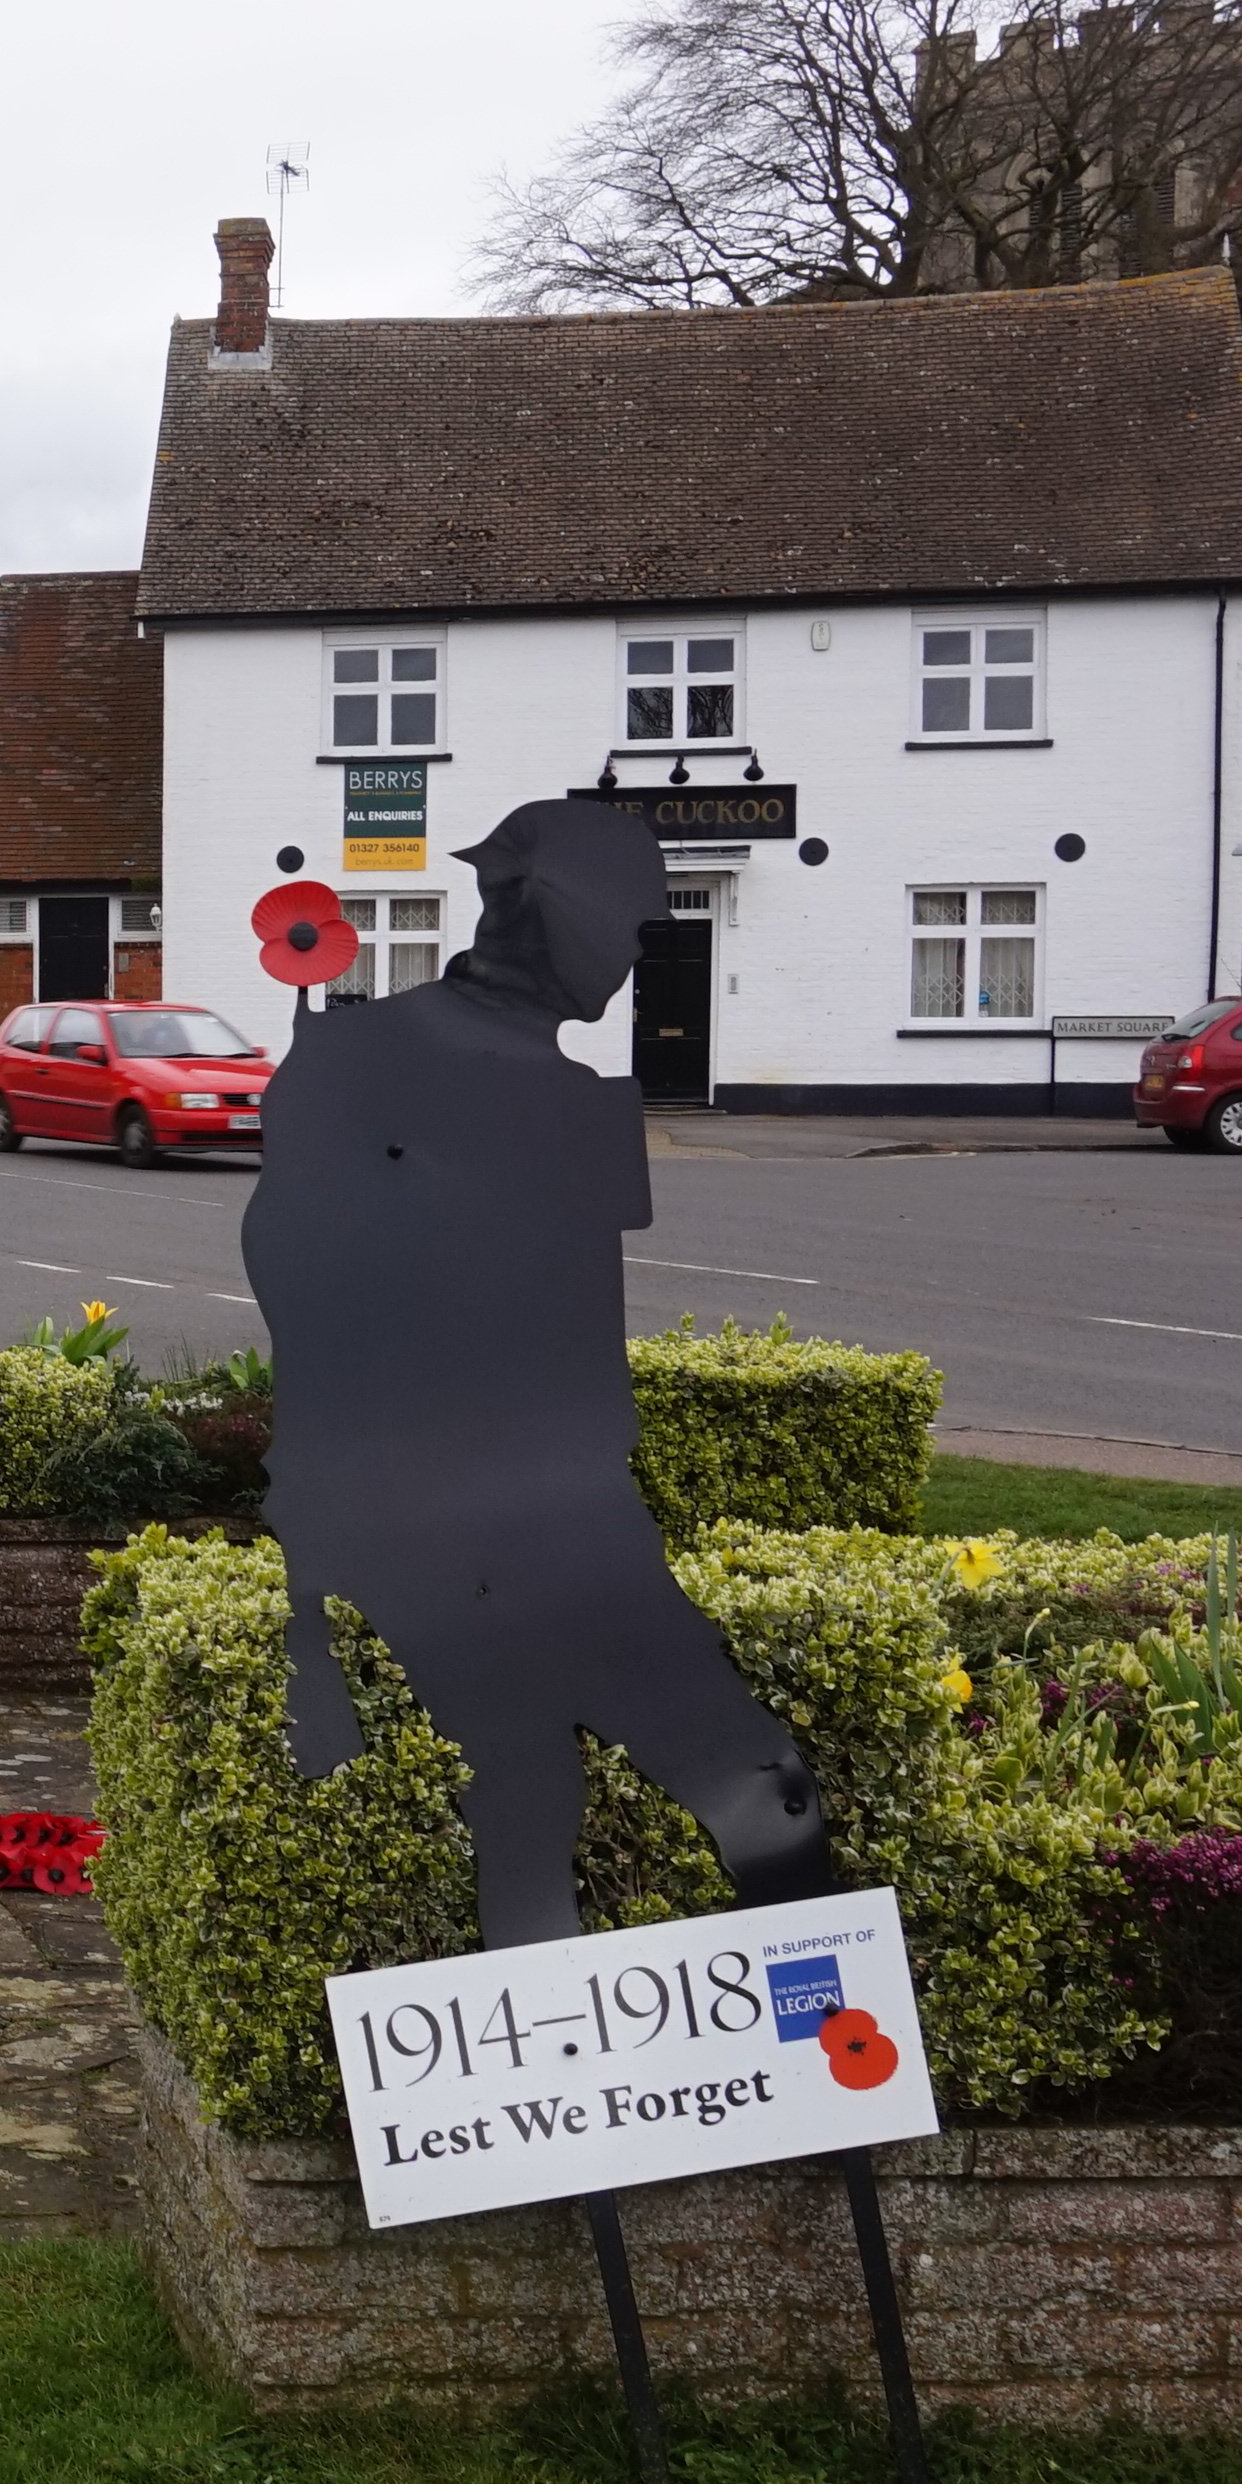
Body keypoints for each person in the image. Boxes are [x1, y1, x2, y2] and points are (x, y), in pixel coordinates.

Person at [238, 796, 831, 1950]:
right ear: (542, 912)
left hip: (557, 1520)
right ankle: (577, 2095)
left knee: (737, 1792)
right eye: (621, 924)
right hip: (445, 1528)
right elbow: (302, 1293)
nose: (628, 956)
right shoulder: (368, 1060)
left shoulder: (552, 1095)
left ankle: (819, 2074)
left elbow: (565, 1349)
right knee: (556, 1804)